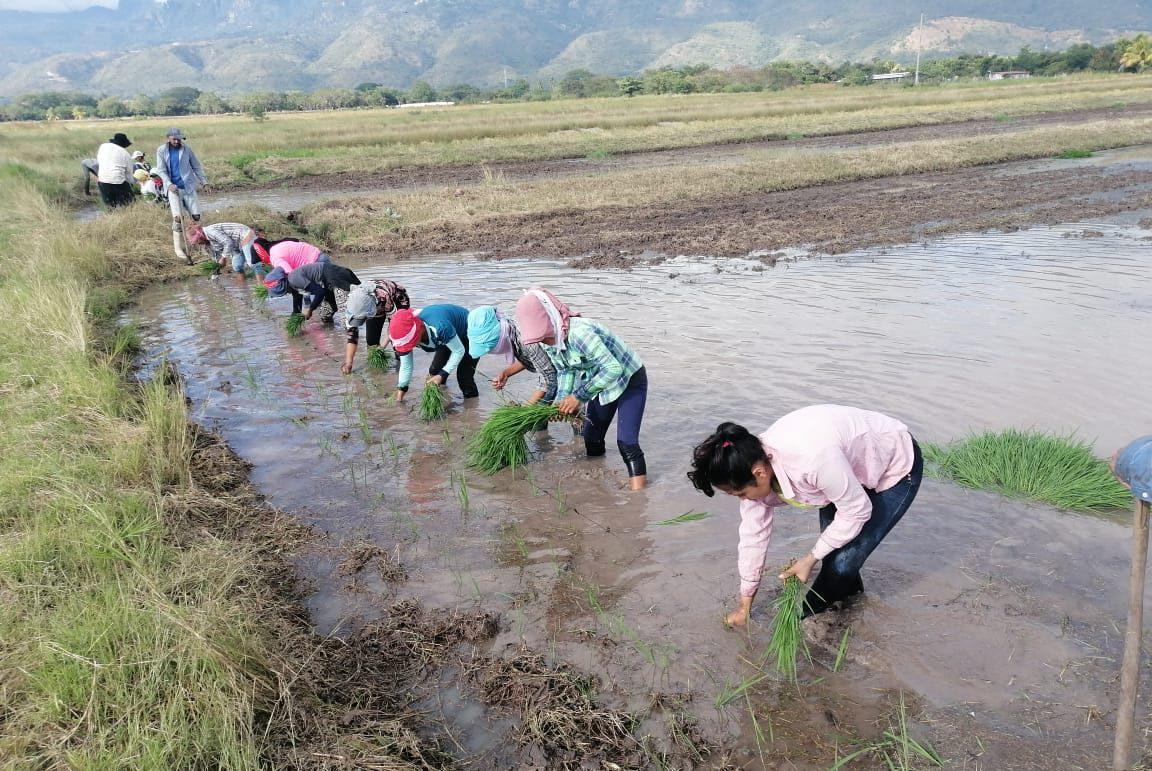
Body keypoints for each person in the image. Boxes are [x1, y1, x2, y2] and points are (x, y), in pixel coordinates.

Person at [686, 404, 924, 627]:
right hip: (843, 472)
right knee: (837, 555)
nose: (743, 499)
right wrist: (744, 605)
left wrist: (809, 559)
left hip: (895, 465)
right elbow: (753, 537)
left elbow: (856, 511)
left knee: (840, 564)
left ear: (759, 473)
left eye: (741, 493)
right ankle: (852, 607)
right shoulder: (748, 467)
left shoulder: (812, 461)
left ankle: (804, 623)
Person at [515, 288, 647, 490]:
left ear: (551, 319)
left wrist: (579, 397)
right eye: (539, 338)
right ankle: (598, 487)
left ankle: (639, 499)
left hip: (628, 379)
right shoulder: (550, 341)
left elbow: (613, 368)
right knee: (591, 437)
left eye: (543, 336)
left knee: (626, 442)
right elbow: (564, 370)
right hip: (599, 382)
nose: (543, 342)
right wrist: (562, 400)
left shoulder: (580, 333)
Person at [466, 305, 557, 405]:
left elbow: (549, 378)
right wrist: (506, 373)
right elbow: (536, 358)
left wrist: (527, 409)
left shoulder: (526, 340)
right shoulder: (512, 328)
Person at [388, 305, 479, 403]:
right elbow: (406, 366)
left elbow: (459, 351)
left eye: (410, 343)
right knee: (434, 371)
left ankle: (471, 406)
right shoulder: (404, 333)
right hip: (448, 335)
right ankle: (442, 397)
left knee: (464, 376)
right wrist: (399, 398)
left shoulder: (440, 328)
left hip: (469, 332)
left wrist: (443, 374)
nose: (410, 346)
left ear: (420, 330)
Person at [342, 280, 410, 374]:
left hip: (396, 298)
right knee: (371, 342)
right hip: (371, 304)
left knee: (398, 341)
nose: (363, 322)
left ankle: (401, 368)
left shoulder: (383, 297)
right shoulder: (352, 305)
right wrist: (348, 363)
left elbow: (394, 325)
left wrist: (382, 347)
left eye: (363, 319)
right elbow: (352, 336)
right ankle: (377, 370)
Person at [264, 261, 360, 322]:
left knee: (346, 319)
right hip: (327, 287)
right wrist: (293, 323)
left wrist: (310, 310)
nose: (286, 293)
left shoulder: (294, 279)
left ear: (284, 285)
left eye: (284, 292)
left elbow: (320, 292)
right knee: (325, 316)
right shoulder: (294, 287)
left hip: (336, 279)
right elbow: (296, 310)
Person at [154, 127, 208, 228]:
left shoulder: (186, 149)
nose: (176, 141)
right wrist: (169, 184)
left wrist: (204, 182)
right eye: (174, 139)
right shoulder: (162, 150)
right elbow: (161, 170)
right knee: (178, 218)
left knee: (196, 216)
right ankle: (178, 242)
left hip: (188, 186)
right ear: (168, 138)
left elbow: (196, 166)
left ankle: (196, 238)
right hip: (173, 188)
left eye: (179, 139)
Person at [187, 222, 259, 273]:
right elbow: (216, 257)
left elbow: (228, 242)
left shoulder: (211, 231)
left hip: (245, 235)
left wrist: (223, 258)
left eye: (197, 241)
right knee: (237, 266)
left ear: (200, 236)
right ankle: (242, 288)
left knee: (252, 264)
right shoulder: (207, 243)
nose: (198, 243)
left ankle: (264, 285)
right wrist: (217, 268)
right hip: (236, 245)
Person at [95, 133, 135, 208]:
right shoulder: (125, 154)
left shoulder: (103, 146)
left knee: (110, 206)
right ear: (124, 144)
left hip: (102, 181)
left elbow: (99, 161)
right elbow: (129, 174)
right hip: (118, 182)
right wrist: (132, 185)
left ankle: (111, 217)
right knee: (129, 203)